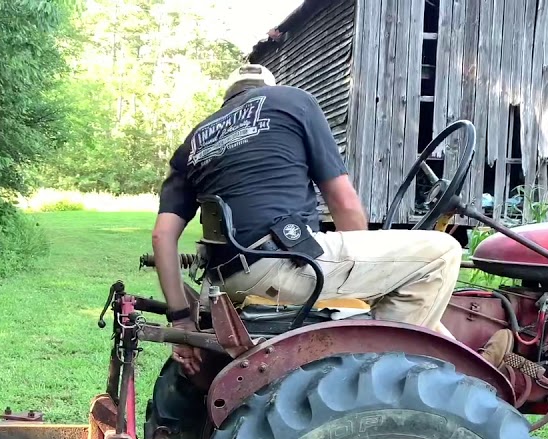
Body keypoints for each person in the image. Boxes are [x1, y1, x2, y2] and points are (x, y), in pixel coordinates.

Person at [150, 65, 483, 374]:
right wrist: (369, 276)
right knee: (442, 252)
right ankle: (382, 377)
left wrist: (181, 321)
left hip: (221, 285)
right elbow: (343, 201)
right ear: (269, 87)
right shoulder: (292, 101)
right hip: (283, 265)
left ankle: (469, 367)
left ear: (227, 99)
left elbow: (162, 237)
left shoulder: (194, 141)